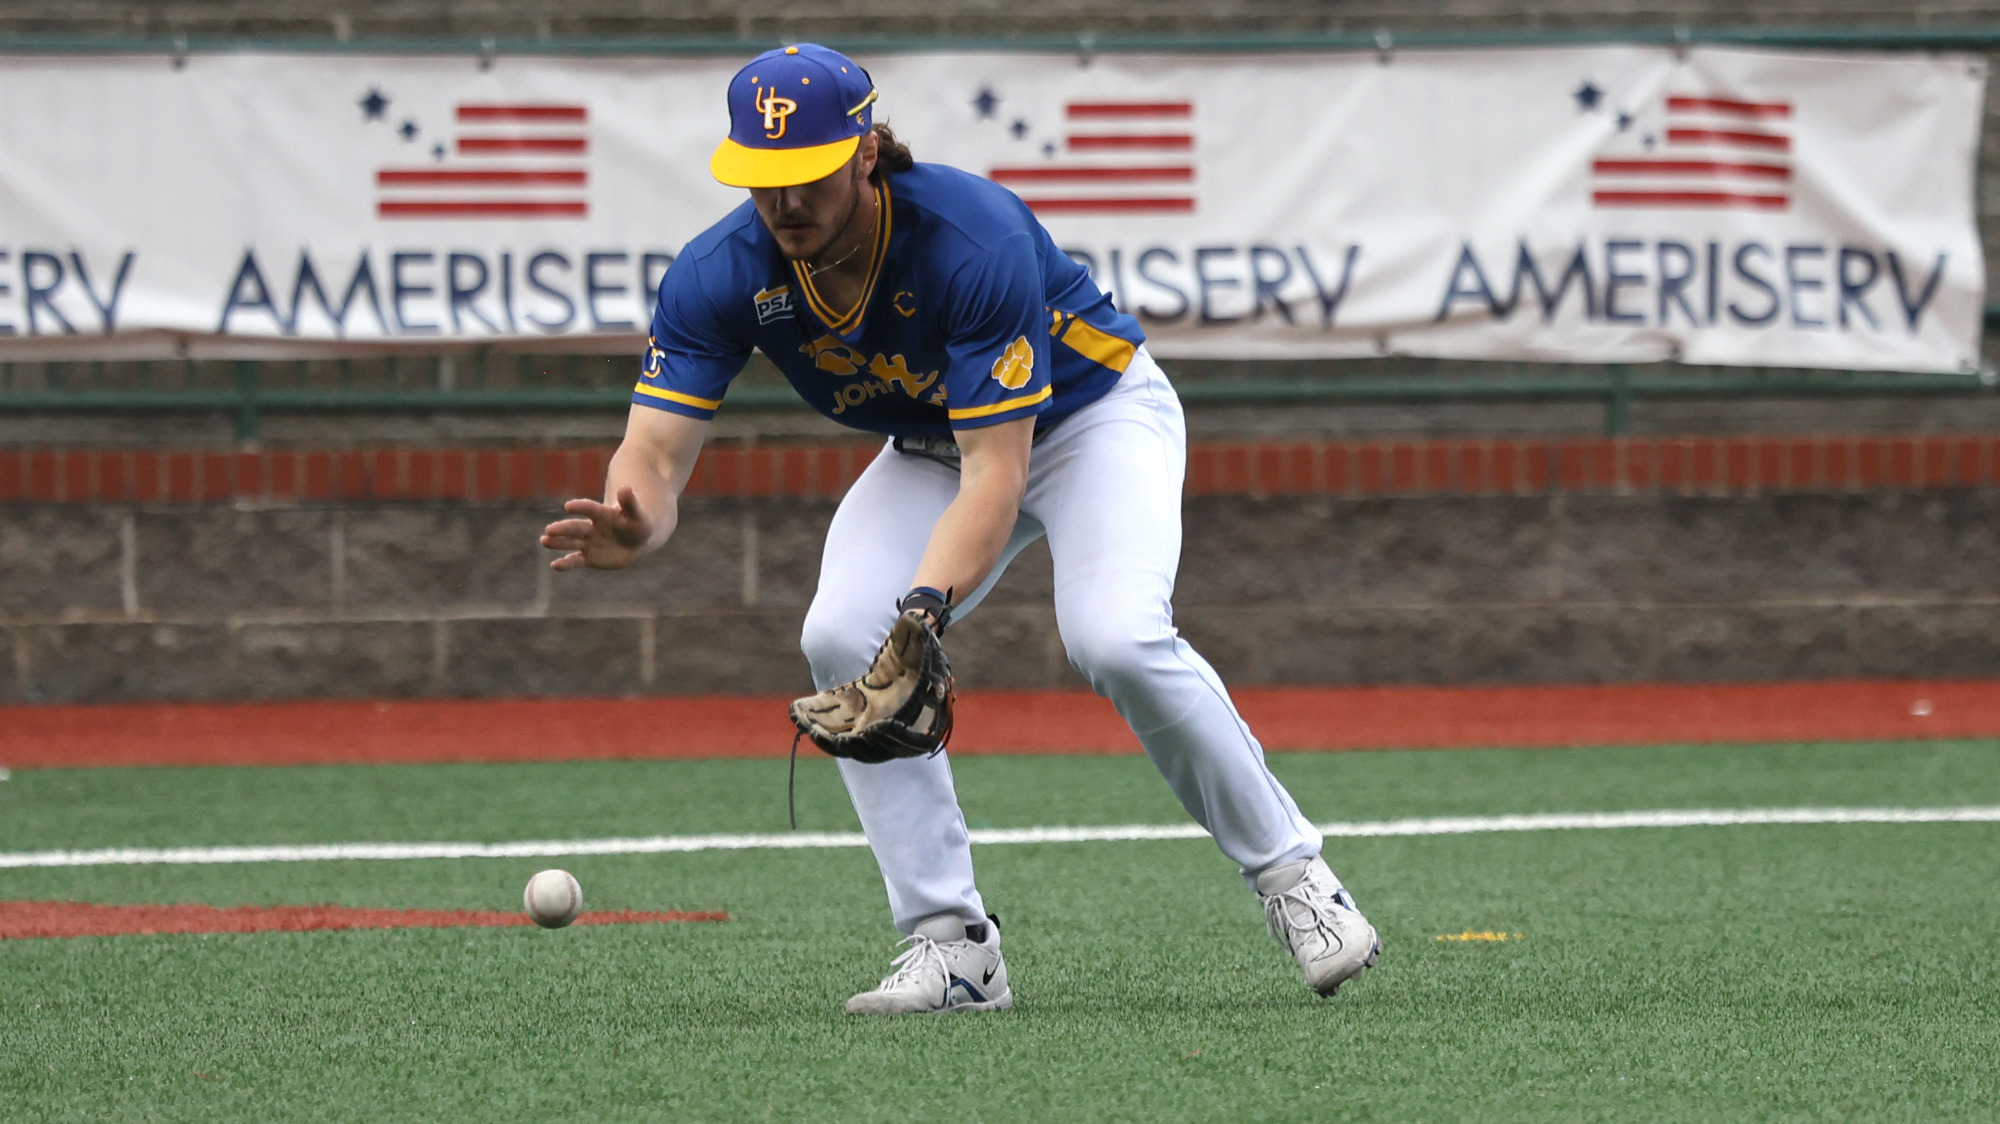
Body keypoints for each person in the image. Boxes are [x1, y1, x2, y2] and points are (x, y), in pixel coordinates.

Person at [539, 43, 1380, 1015]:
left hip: (1091, 421)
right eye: (763, 177)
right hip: (936, 444)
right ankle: (954, 948)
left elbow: (997, 474)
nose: (785, 200)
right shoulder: (719, 271)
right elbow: (653, 455)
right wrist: (638, 520)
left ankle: (1296, 878)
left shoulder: (968, 235)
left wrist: (922, 610)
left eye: (808, 170)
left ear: (864, 152)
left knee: (1114, 635)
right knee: (838, 634)